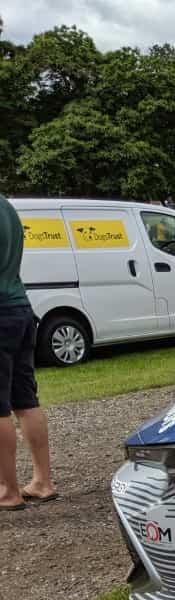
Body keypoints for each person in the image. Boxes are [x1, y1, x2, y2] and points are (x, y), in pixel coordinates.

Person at [0, 194, 57, 511]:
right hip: (20, 308)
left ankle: (8, 491)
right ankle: (42, 481)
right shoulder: (7, 206)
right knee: (25, 400)